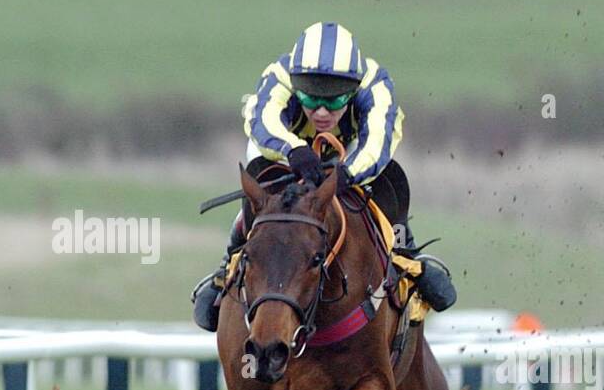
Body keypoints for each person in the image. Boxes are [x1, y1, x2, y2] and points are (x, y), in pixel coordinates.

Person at [191, 21, 455, 332]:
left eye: (334, 101)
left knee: (389, 178)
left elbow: (377, 145)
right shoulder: (280, 75)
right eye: (310, 99)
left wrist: (346, 174)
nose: (321, 113)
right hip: (289, 147)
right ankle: (230, 262)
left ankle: (406, 255)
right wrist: (293, 151)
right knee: (260, 179)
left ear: (352, 91)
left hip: (351, 149)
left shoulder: (375, 86)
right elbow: (262, 120)